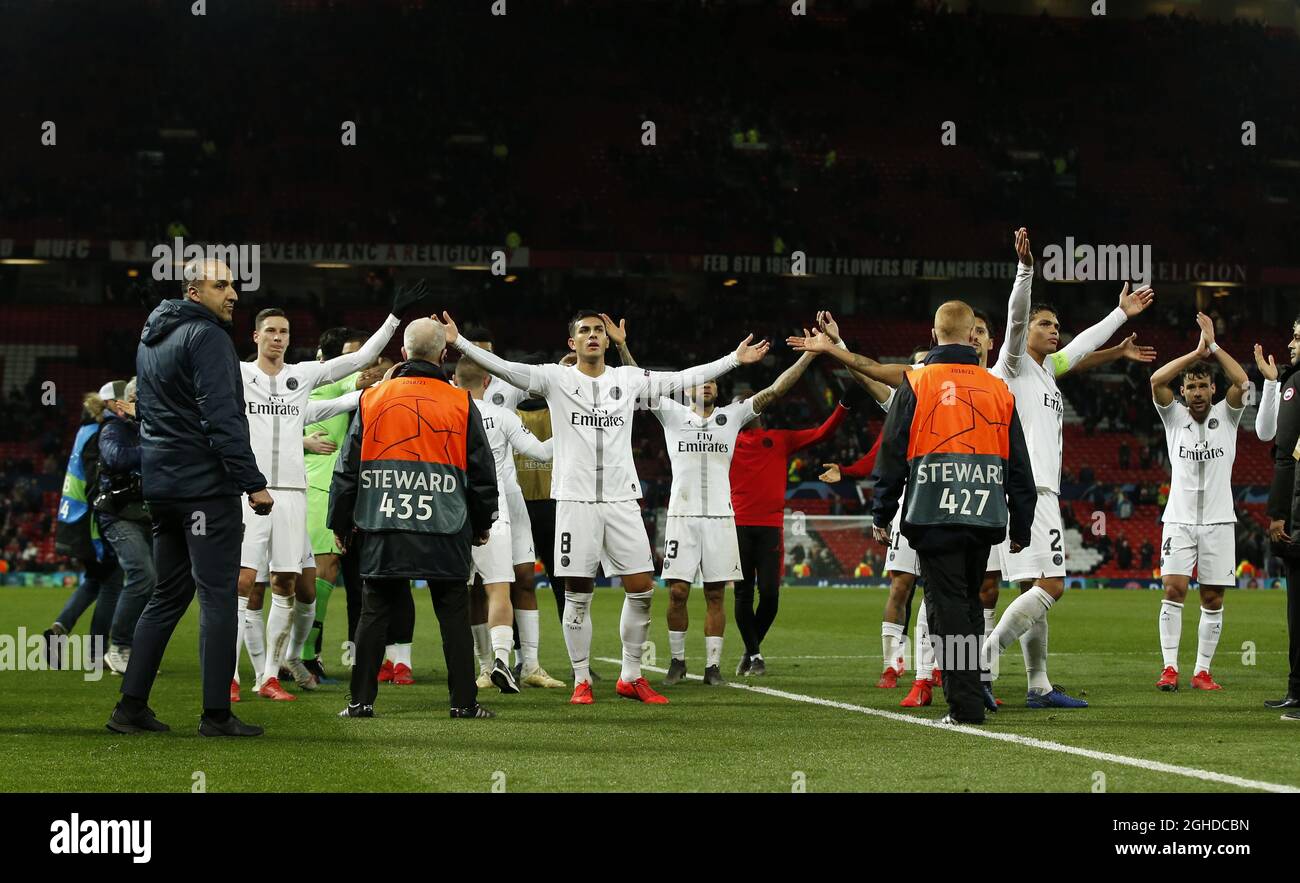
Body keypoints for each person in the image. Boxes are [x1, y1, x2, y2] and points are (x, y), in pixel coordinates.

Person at [441, 308, 767, 704]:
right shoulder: (554, 377)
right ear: (572, 343)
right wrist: (458, 342)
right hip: (575, 501)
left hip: (622, 499)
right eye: (584, 331)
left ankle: (630, 676)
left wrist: (734, 358)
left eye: (598, 330)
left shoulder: (627, 379)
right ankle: (582, 679)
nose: (593, 335)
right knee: (578, 591)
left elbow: (681, 379)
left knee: (642, 588)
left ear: (607, 340)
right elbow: (505, 368)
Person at [982, 229, 1155, 708]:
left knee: (1032, 585)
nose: (1053, 330)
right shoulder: (1012, 366)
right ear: (1027, 332)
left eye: (1056, 324)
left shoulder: (1046, 370)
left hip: (1036, 490)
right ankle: (982, 661)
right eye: (1045, 324)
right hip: (1029, 489)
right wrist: (1025, 271)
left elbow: (1080, 347)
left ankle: (1038, 686)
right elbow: (1016, 317)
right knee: (1053, 585)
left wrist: (1121, 315)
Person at [107, 258, 273, 738]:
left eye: (234, 285)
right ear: (194, 293)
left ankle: (130, 706)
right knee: (218, 595)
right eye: (220, 285)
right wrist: (252, 481)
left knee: (167, 595)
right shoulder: (209, 338)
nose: (233, 294)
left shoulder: (150, 337)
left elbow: (153, 413)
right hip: (204, 488)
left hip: (163, 489)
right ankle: (216, 715)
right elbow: (222, 416)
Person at [236, 283, 423, 702]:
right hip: (249, 492)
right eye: (270, 331)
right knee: (244, 583)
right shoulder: (238, 375)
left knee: (286, 581)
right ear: (256, 337)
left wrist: (394, 317)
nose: (278, 338)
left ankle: (268, 676)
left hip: (294, 494)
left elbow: (357, 360)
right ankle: (229, 675)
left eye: (283, 331)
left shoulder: (301, 377)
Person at [871, 299, 1036, 724]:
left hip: (933, 512)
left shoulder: (918, 381)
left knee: (946, 609)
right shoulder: (998, 388)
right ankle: (972, 690)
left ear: (933, 335)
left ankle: (964, 705)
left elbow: (891, 451)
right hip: (983, 514)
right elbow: (1019, 464)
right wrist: (1022, 522)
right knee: (966, 603)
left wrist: (881, 510)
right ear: (970, 336)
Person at [330, 318, 499, 719]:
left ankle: (359, 702)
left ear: (403, 354)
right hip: (445, 523)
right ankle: (463, 703)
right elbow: (481, 470)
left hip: (384, 521)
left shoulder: (371, 399)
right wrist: (482, 522)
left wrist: (340, 522)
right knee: (453, 613)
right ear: (443, 355)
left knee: (374, 613)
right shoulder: (461, 402)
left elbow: (347, 468)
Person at [652, 348, 822, 688]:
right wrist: (623, 346)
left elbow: (775, 390)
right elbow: (633, 382)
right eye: (701, 381)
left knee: (716, 594)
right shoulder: (669, 413)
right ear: (686, 389)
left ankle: (713, 668)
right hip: (682, 516)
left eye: (713, 381)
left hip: (720, 518)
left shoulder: (732, 416)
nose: (708, 385)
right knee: (678, 594)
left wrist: (810, 357)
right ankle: (677, 661)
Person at [452, 356, 564, 691]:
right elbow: (543, 453)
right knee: (501, 585)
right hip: (498, 504)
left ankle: (526, 666)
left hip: (490, 502)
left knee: (512, 581)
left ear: (454, 382)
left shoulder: (450, 414)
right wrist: (576, 431)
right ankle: (491, 666)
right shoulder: (502, 415)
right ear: (488, 382)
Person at [1149, 314, 1247, 691]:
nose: (1197, 393)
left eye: (1203, 386)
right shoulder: (1173, 417)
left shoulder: (1228, 415)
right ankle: (1169, 668)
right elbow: (1157, 380)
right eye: (1191, 387)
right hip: (1178, 520)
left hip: (1221, 521)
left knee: (1212, 596)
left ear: (1212, 389)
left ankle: (1202, 671)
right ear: (1185, 391)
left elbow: (1243, 381)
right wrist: (1194, 352)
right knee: (1173, 589)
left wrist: (1215, 347)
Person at [47, 385, 124, 666]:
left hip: (73, 517)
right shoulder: (103, 432)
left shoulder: (86, 429)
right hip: (90, 521)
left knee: (94, 580)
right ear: (112, 403)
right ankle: (96, 653)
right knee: (113, 582)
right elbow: (95, 482)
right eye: (124, 401)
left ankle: (60, 627)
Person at [1254, 318, 1300, 717]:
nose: (1290, 343)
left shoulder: (1296, 385)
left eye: (1299, 337)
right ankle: (1297, 691)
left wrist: (1276, 513)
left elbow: (1283, 452)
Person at [95, 378, 154, 676]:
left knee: (156, 582)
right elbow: (116, 458)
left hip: (144, 513)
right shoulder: (113, 429)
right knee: (143, 575)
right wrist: (156, 449)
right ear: (128, 402)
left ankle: (133, 650)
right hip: (118, 513)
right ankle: (118, 646)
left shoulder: (143, 430)